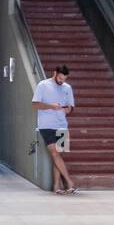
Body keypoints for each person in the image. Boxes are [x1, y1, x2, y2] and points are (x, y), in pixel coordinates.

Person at [32, 64, 77, 194]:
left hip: (62, 125)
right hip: (46, 125)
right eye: (61, 78)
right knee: (55, 153)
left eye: (65, 79)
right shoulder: (43, 85)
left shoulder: (67, 88)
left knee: (58, 156)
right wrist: (51, 106)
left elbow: (71, 107)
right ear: (55, 73)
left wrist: (68, 109)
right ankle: (69, 181)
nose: (62, 81)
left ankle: (56, 186)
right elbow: (35, 104)